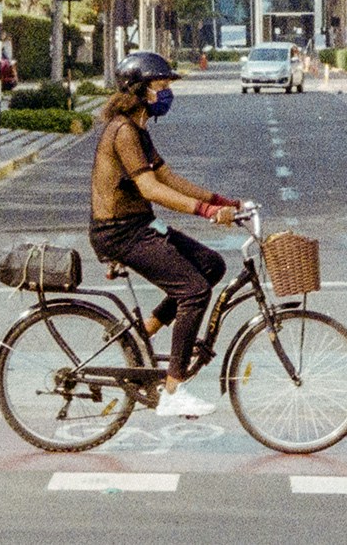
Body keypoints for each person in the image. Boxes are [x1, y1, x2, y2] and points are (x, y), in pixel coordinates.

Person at [90, 49, 245, 416]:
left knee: (211, 265)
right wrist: (207, 212)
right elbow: (151, 190)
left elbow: (167, 176)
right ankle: (173, 392)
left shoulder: (138, 130)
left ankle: (146, 329)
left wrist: (222, 199)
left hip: (138, 226)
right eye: (160, 86)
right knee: (194, 291)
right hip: (120, 232)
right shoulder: (123, 132)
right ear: (139, 90)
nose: (166, 93)